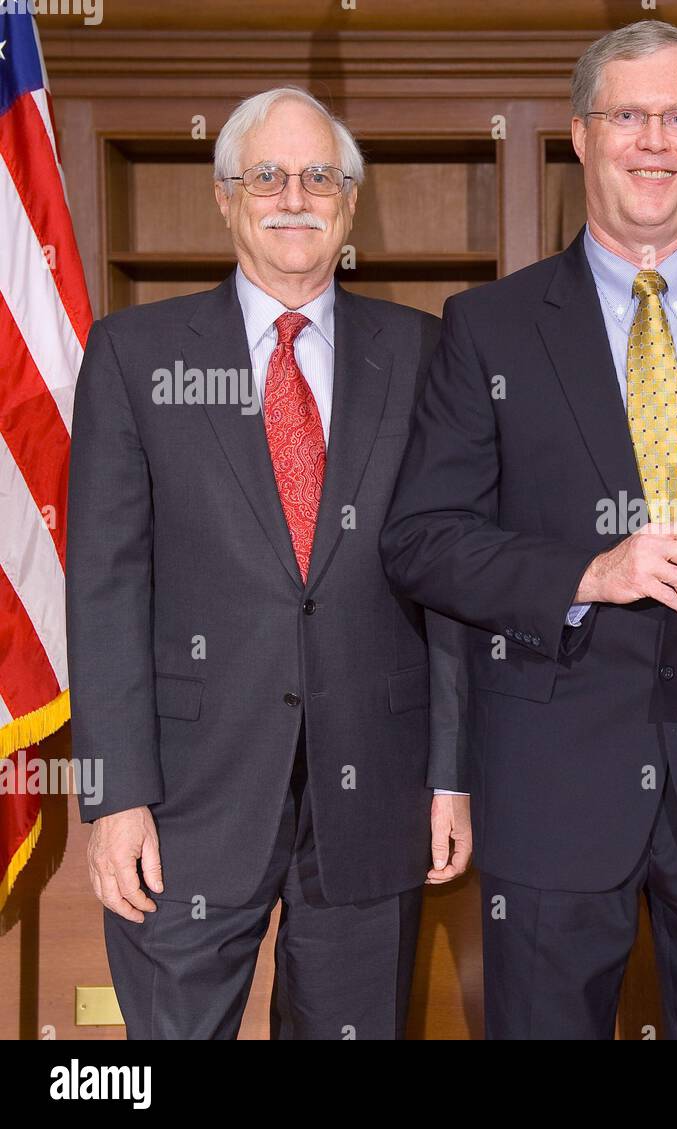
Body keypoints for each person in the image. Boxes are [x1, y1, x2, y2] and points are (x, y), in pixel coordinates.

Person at [381, 19, 677, 1039]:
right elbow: (422, 537)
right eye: (627, 115)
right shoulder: (487, 327)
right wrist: (590, 570)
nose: (653, 140)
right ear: (582, 137)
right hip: (550, 788)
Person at [67, 86, 471, 1039]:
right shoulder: (135, 354)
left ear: (350, 200)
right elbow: (105, 585)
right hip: (182, 802)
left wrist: (452, 772)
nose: (296, 195)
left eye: (320, 176)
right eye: (268, 176)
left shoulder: (424, 352)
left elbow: (453, 576)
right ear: (226, 196)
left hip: (376, 794)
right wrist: (113, 793)